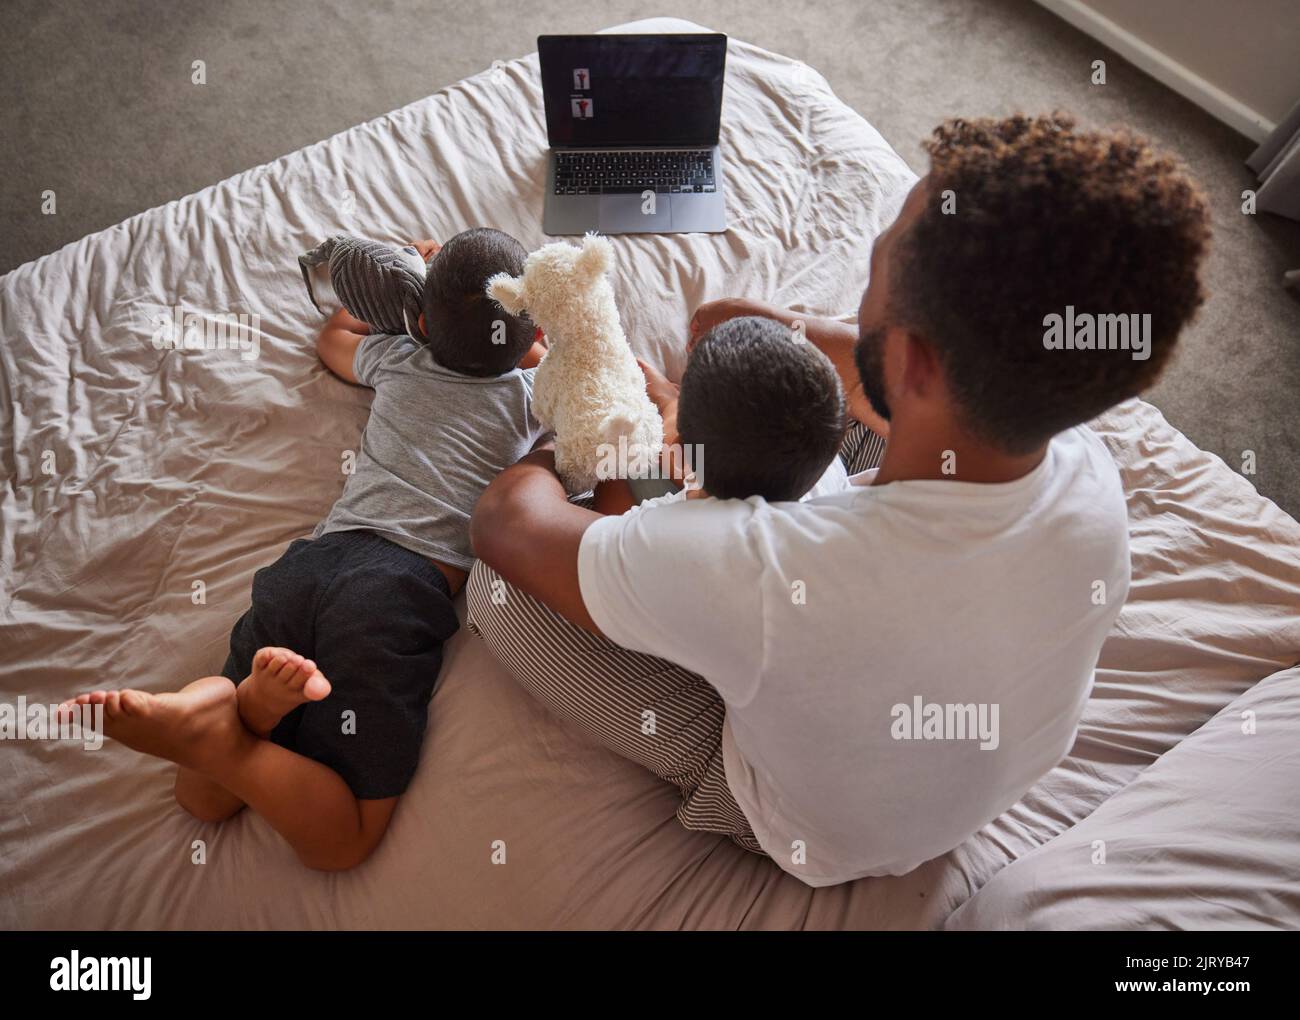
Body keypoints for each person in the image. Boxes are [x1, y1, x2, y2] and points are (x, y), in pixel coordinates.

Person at [466, 113, 1211, 886]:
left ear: (914, 362)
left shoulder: (770, 572)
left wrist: (605, 419)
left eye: (881, 253)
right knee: (782, 408)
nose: (871, 260)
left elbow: (506, 525)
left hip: (802, 825)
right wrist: (776, 329)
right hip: (932, 751)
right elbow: (882, 379)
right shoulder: (1083, 462)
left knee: (502, 596)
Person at [60, 227, 549, 871]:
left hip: (312, 564)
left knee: (202, 802)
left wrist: (406, 289)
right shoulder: (532, 396)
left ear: (421, 320)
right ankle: (232, 745)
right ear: (530, 336)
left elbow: (333, 339)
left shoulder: (400, 357)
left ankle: (236, 710)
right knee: (345, 839)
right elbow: (570, 372)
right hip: (393, 593)